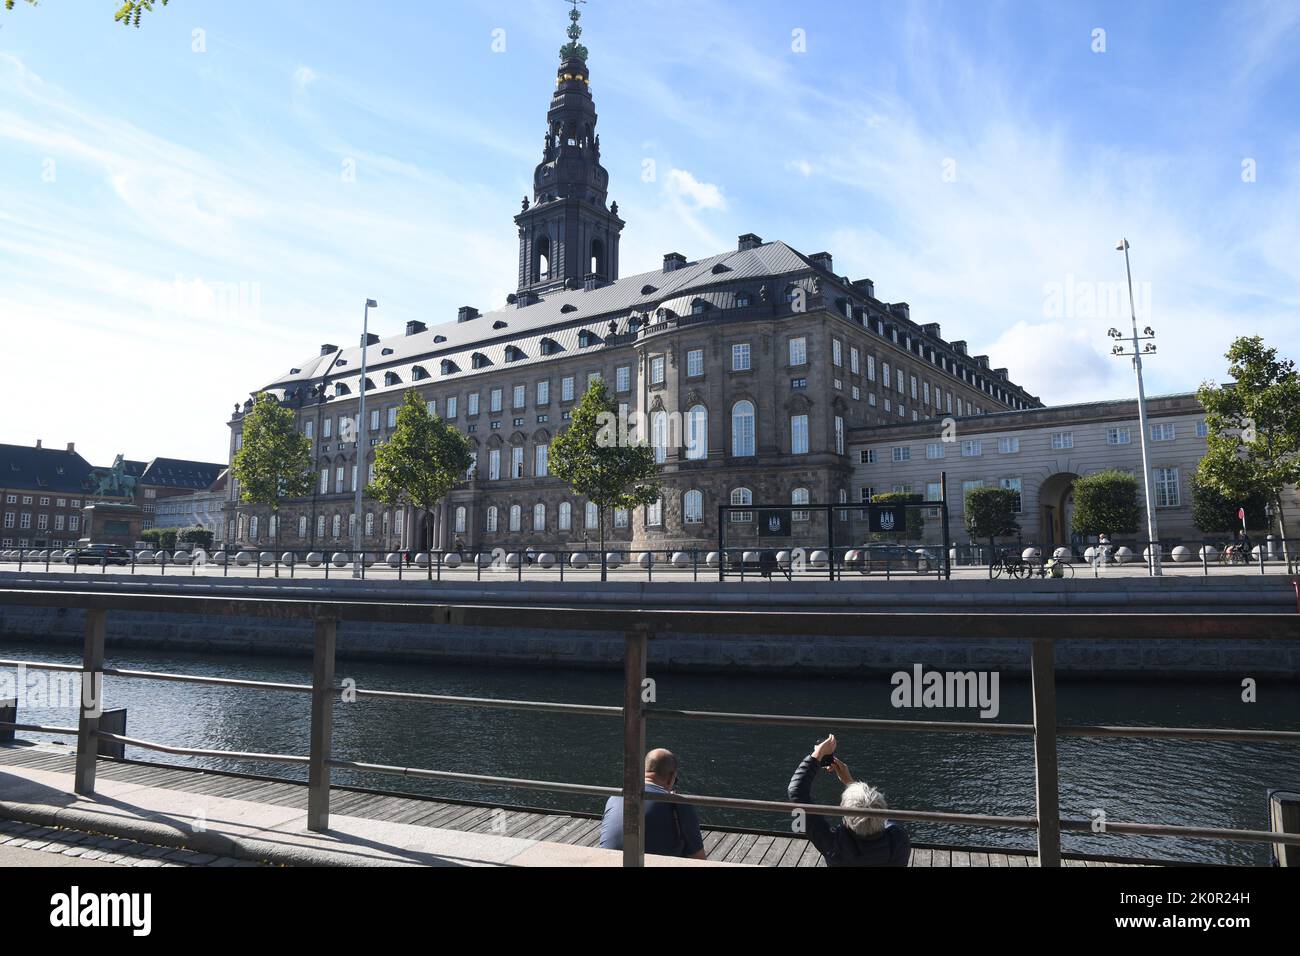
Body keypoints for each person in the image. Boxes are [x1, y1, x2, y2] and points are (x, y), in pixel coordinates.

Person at [788, 734, 910, 866]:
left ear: (846, 819)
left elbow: (796, 792)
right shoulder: (898, 840)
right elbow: (885, 819)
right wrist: (850, 782)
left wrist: (817, 754)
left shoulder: (835, 846)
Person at [599, 748, 706, 859]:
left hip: (608, 862)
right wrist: (675, 800)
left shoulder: (615, 797)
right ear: (672, 777)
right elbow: (699, 859)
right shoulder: (679, 803)